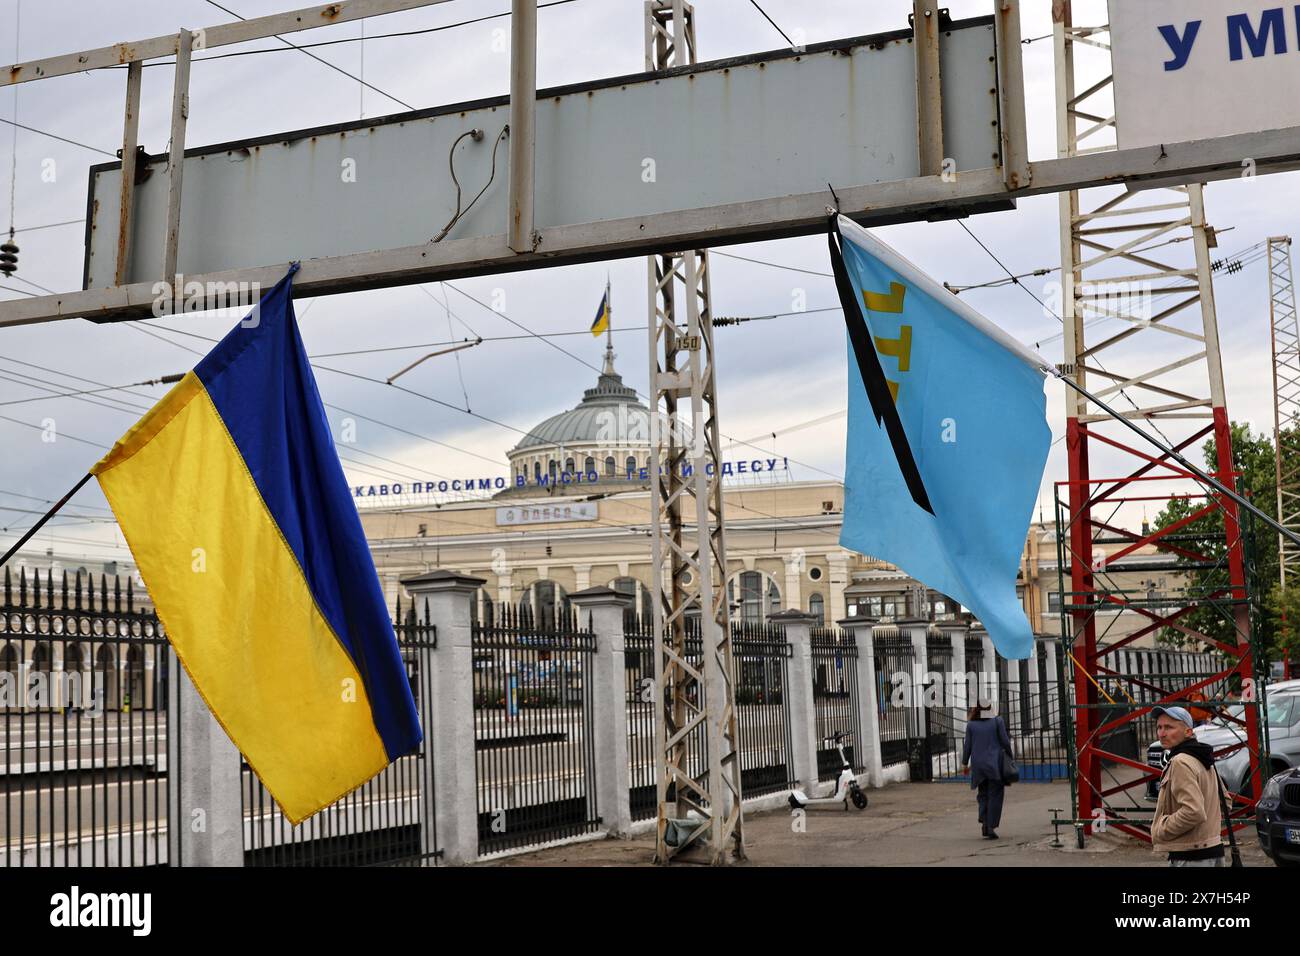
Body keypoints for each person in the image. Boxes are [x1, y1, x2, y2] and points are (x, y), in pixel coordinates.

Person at [1151, 705, 1225, 867]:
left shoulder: (1180, 762)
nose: (1161, 733)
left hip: (1191, 856)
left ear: (1188, 732)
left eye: (1169, 727)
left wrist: (1161, 828)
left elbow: (1193, 812)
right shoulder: (1202, 757)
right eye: (1159, 727)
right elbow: (1225, 801)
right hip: (1213, 850)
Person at [961, 702, 1013, 839]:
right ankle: (990, 825)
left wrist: (965, 763)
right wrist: (1010, 756)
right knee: (995, 794)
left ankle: (984, 819)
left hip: (978, 765)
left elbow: (968, 746)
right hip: (994, 764)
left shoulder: (971, 725)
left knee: (982, 793)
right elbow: (1005, 741)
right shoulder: (997, 721)